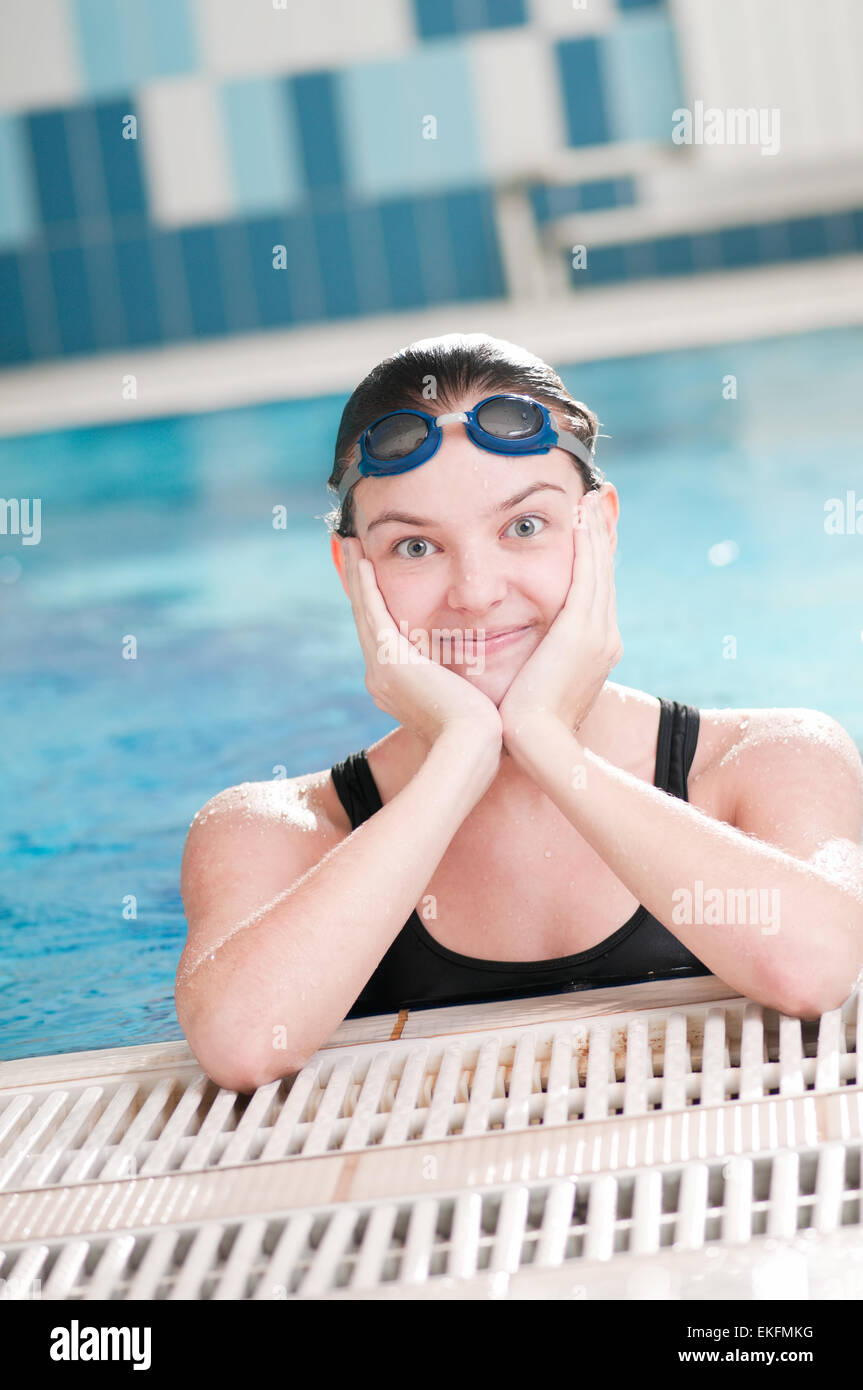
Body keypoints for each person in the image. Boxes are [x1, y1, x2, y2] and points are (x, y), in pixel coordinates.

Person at [176, 333, 863, 1094]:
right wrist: (461, 754)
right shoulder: (275, 830)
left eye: (523, 527)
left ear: (599, 527)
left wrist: (545, 743)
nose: (474, 590)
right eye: (413, 547)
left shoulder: (766, 760)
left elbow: (818, 970)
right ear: (351, 571)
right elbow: (241, 1044)